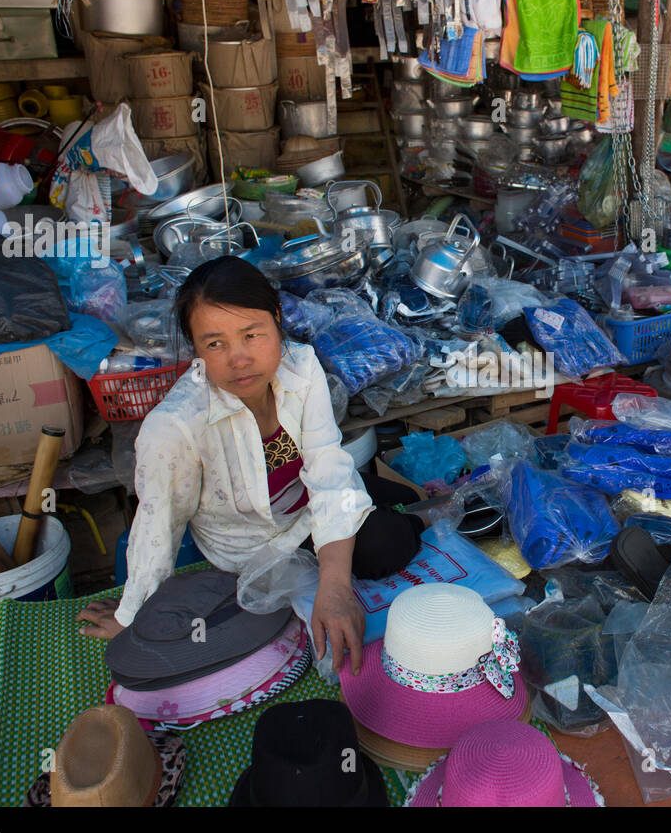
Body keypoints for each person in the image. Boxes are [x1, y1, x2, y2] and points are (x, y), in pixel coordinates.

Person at [77, 257, 426, 673]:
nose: (238, 359)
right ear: (195, 347)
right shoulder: (174, 426)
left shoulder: (302, 367)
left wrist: (335, 588)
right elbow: (158, 523)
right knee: (387, 543)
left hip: (303, 503)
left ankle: (410, 512)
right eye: (215, 343)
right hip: (254, 543)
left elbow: (328, 469)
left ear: (277, 319)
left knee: (394, 497)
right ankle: (412, 519)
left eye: (251, 334)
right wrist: (131, 616)